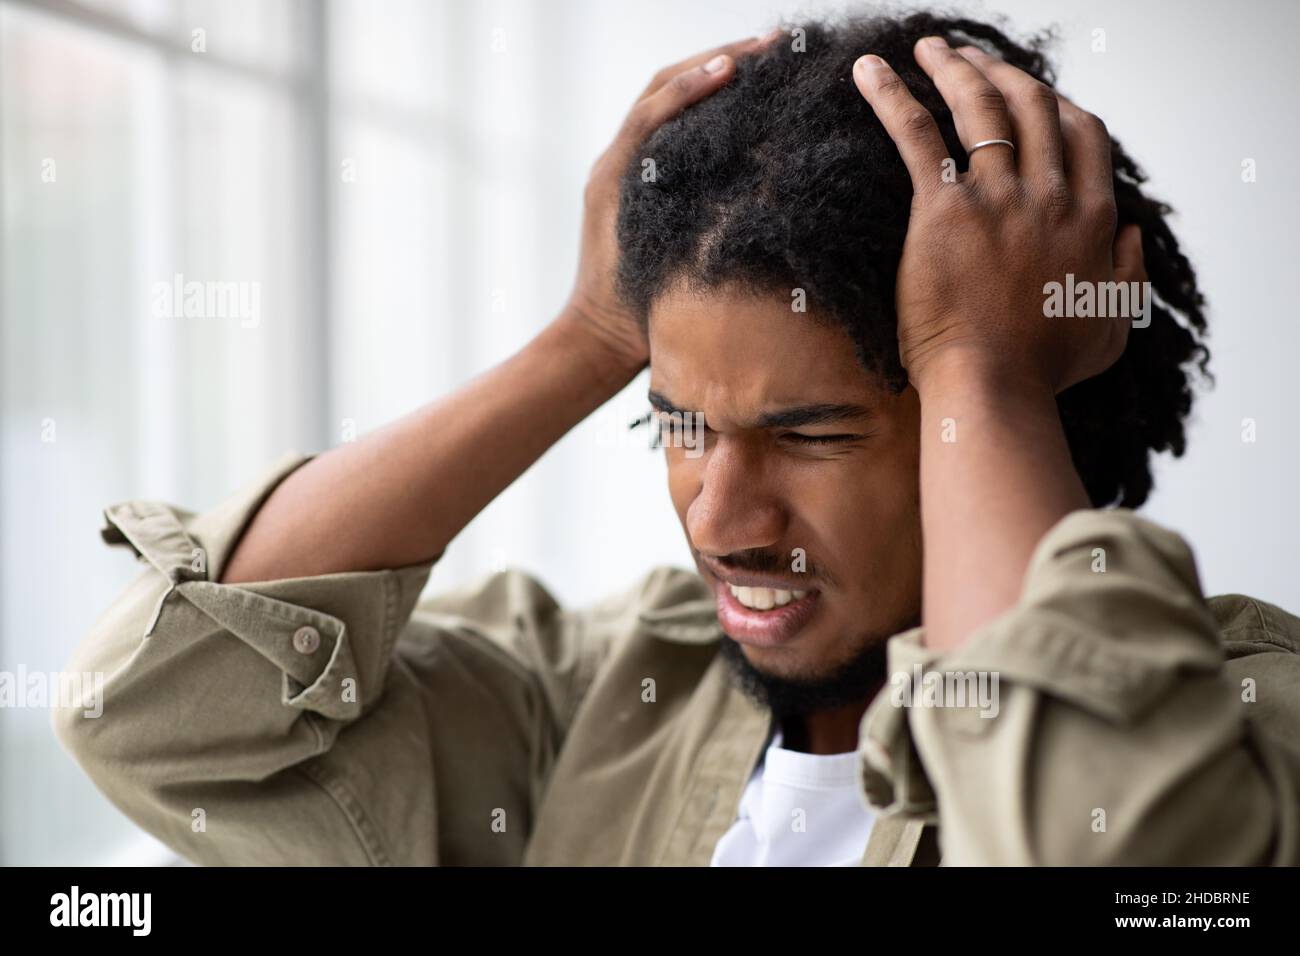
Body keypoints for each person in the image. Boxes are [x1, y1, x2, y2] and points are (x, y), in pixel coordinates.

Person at [55, 13, 1300, 866]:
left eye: (811, 431)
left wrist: (978, 360)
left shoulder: (1252, 717)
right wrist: (590, 334)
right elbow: (150, 708)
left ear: (1025, 406)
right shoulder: (599, 690)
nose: (720, 518)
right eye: (680, 422)